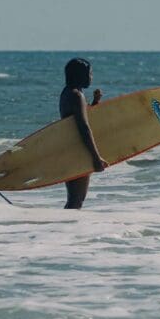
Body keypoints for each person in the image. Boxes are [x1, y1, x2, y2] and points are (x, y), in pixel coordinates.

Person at [59, 57, 108, 209]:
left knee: (75, 198)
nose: (91, 77)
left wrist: (94, 103)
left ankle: (65, 229)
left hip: (70, 148)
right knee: (76, 199)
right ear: (80, 75)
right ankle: (66, 229)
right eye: (90, 73)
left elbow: (78, 118)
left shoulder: (68, 92)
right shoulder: (76, 95)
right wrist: (96, 157)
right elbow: (83, 127)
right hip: (78, 151)